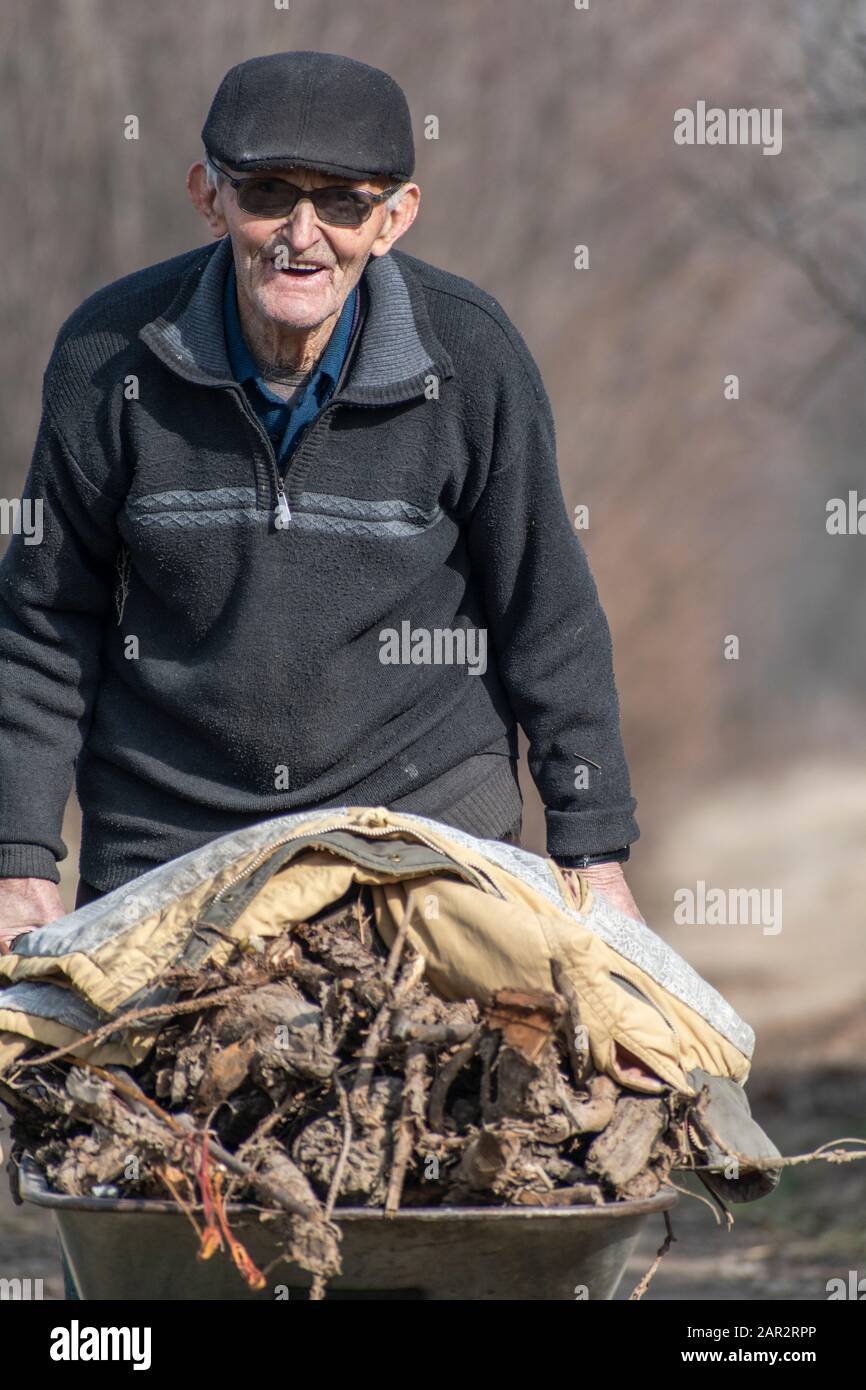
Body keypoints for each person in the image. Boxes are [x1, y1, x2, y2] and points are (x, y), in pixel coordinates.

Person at [0, 50, 643, 952]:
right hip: (170, 847)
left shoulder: (472, 357)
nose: (301, 235)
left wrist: (593, 853)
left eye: (343, 202)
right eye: (268, 193)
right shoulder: (108, 358)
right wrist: (21, 860)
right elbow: (41, 625)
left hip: (425, 839)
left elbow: (549, 613)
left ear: (393, 218)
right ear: (208, 195)